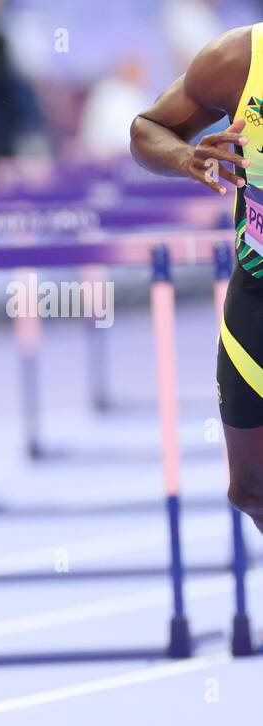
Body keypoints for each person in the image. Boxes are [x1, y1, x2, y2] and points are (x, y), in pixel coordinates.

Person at [130, 25, 263, 531]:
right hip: (258, 293)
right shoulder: (237, 59)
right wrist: (186, 156)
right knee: (251, 490)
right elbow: (146, 127)